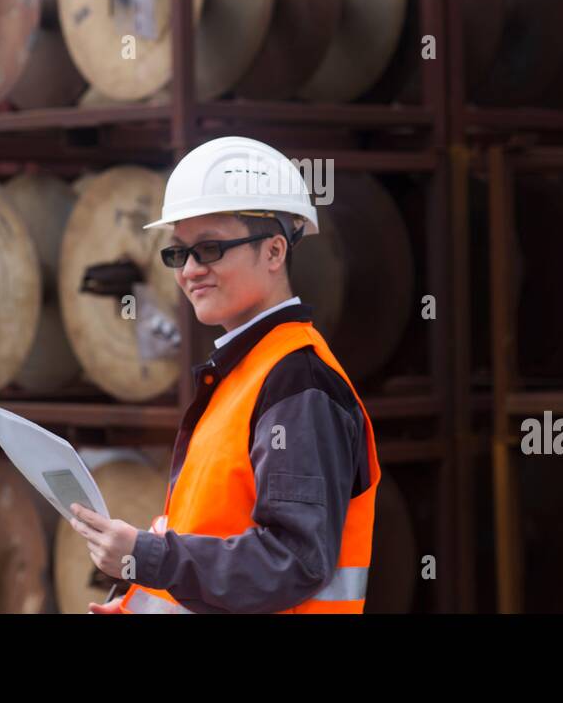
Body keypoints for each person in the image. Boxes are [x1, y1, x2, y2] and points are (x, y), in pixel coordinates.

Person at [65, 136, 381, 613]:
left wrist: (144, 557)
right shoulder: (246, 374)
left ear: (275, 252)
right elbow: (210, 529)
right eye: (178, 254)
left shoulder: (299, 383)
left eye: (210, 248)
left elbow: (294, 560)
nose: (190, 270)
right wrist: (138, 599)